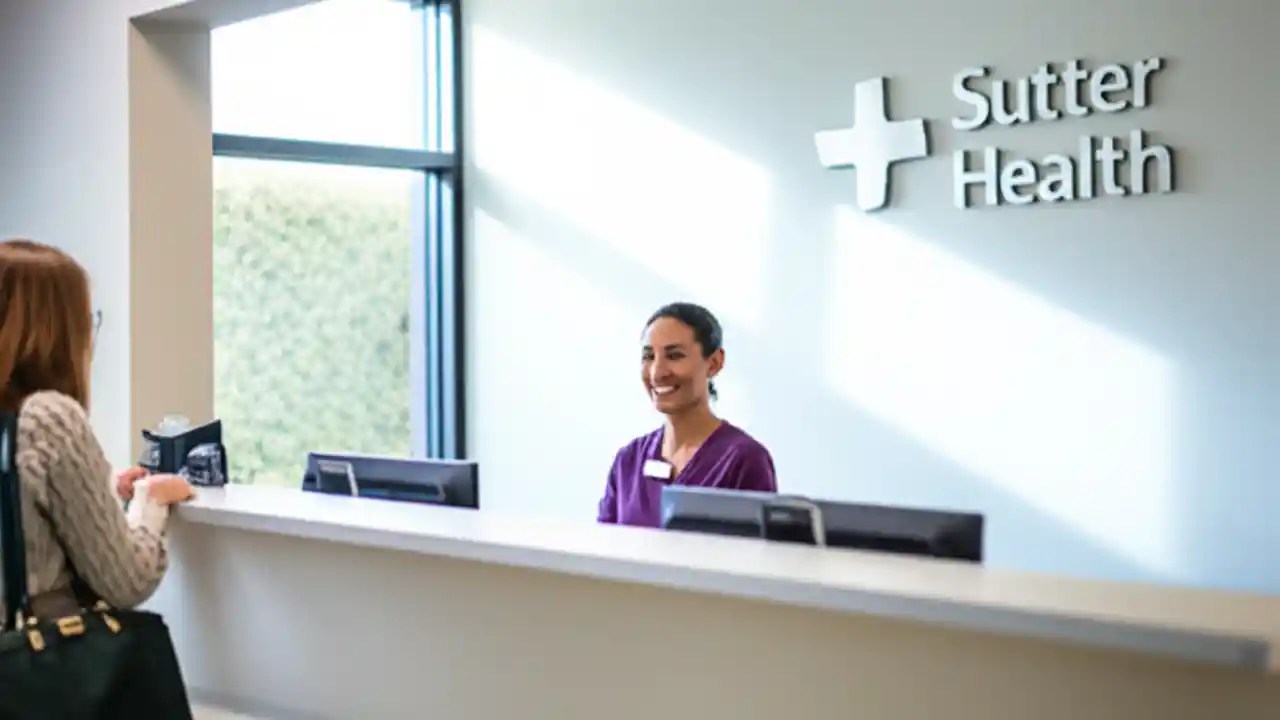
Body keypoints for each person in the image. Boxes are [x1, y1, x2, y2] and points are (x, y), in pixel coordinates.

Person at [0, 238, 194, 619]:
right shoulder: (47, 419)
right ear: (57, 330)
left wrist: (100, 493)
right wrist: (150, 500)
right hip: (34, 669)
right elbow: (126, 581)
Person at [597, 301, 777, 527]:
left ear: (714, 363)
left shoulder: (743, 460)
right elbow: (603, 551)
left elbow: (756, 557)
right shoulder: (629, 461)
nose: (657, 373)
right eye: (649, 356)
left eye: (674, 356)